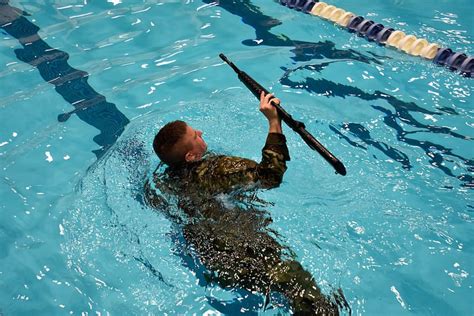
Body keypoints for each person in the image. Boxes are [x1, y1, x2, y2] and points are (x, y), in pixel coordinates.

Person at [145, 92, 344, 315]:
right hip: (245, 252)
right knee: (303, 288)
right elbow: (270, 176)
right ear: (191, 156)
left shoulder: (162, 182)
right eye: (195, 136)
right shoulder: (216, 170)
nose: (200, 132)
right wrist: (273, 121)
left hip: (210, 259)